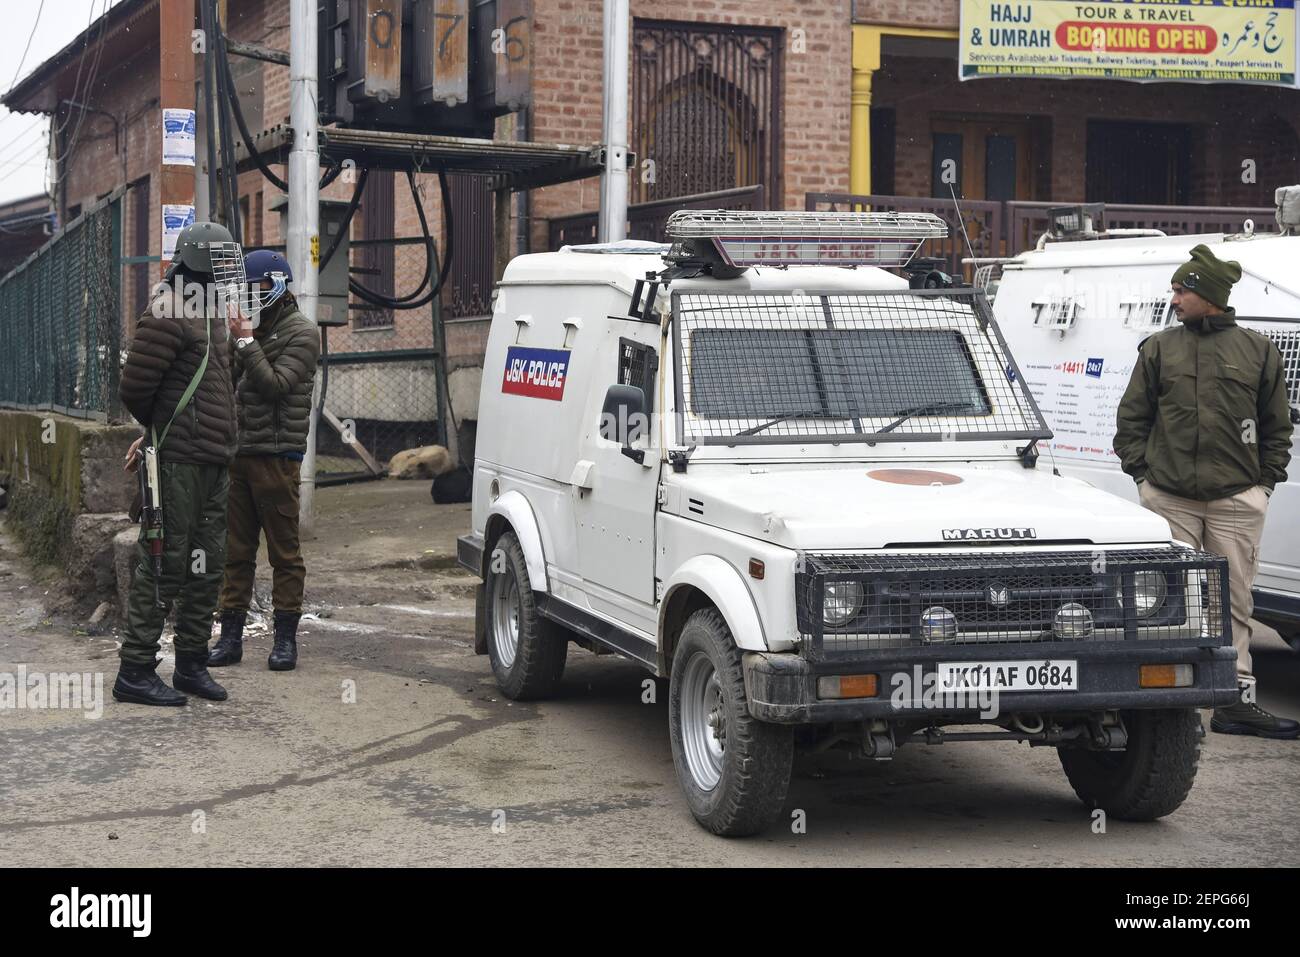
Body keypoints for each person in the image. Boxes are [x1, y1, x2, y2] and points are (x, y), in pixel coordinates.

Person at [1114, 243, 1297, 739]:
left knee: (1235, 603)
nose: (1173, 298)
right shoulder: (1159, 348)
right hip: (1169, 496)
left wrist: (1263, 484)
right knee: (1172, 602)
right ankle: (1168, 706)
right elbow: (1132, 418)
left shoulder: (1258, 350)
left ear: (1208, 295)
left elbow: (1277, 427)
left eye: (1180, 289)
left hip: (1236, 499)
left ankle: (1236, 702)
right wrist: (1143, 479)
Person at [113, 222, 241, 706]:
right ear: (200, 264)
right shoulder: (168, 310)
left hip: (212, 461)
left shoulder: (211, 313)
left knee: (206, 567)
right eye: (223, 261)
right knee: (163, 563)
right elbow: (136, 388)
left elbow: (221, 385)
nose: (230, 272)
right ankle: (136, 671)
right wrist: (158, 434)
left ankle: (191, 664)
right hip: (178, 462)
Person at [207, 249, 320, 671]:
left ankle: (285, 640)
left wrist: (247, 341)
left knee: (284, 554)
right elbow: (228, 381)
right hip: (241, 455)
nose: (247, 299)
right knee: (235, 551)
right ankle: (230, 638)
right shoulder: (250, 331)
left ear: (275, 286)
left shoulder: (303, 333)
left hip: (277, 459)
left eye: (253, 290)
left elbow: (274, 386)